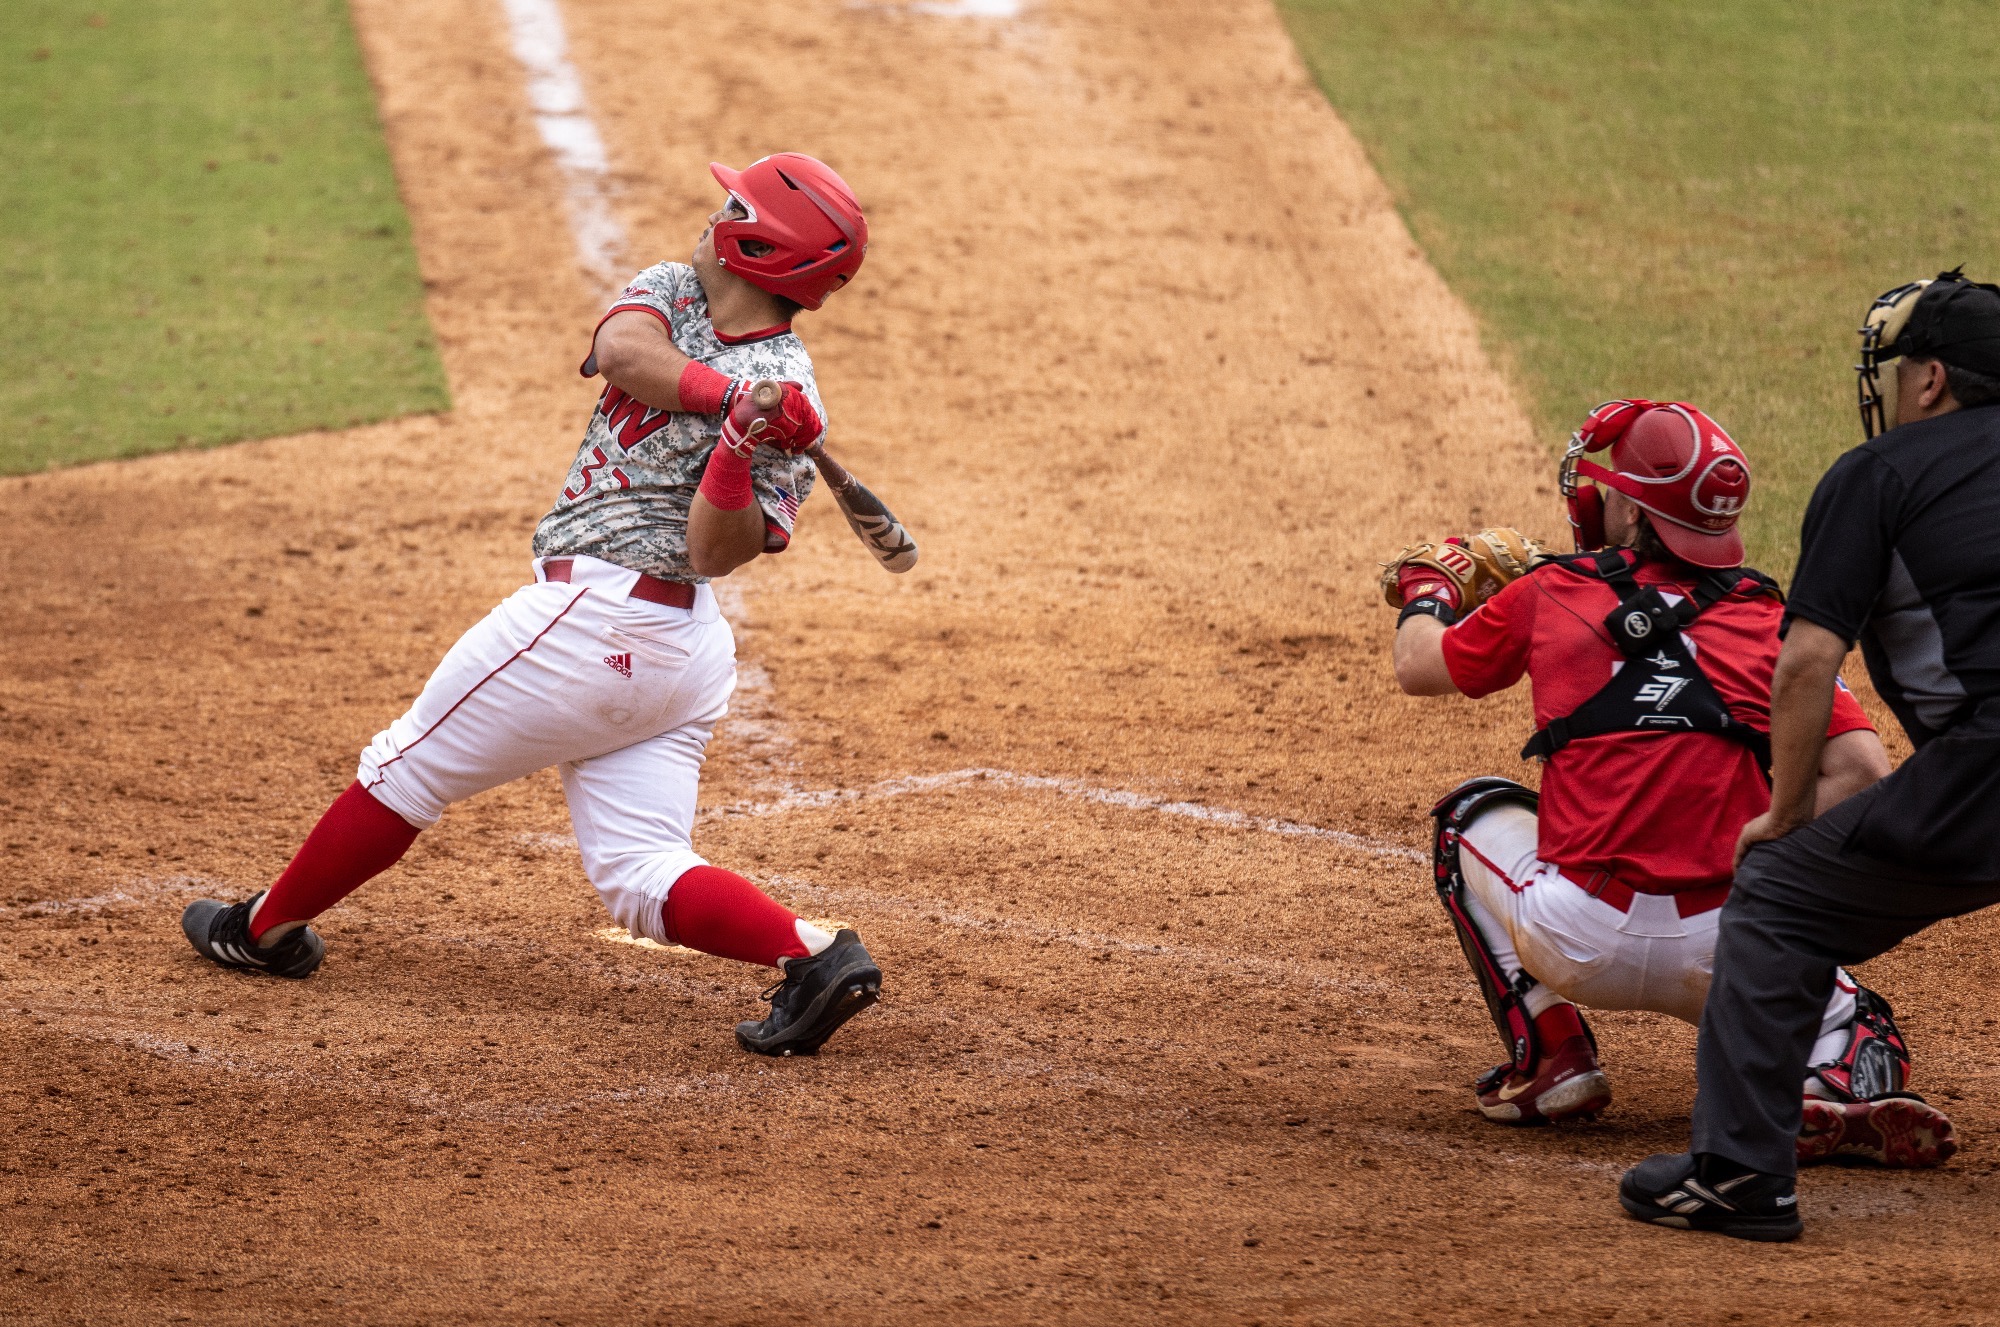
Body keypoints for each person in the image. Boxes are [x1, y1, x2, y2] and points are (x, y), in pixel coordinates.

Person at [177, 153, 885, 1058]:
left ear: (757, 244)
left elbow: (716, 551)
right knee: (639, 873)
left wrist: (739, 445)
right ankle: (816, 954)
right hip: (669, 657)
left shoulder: (791, 400)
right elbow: (623, 353)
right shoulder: (673, 289)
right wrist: (730, 397)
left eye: (731, 207)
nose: (712, 216)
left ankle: (262, 932)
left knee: (403, 770)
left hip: (596, 627)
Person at [1381, 400, 1931, 1157]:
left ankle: (1552, 1057)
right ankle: (1833, 1080)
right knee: (1857, 1017)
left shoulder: (1549, 592)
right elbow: (1865, 772)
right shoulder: (1767, 621)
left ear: (1636, 511)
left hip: (1577, 935)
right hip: (1725, 950)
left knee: (1466, 817)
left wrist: (1428, 593)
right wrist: (1762, 837)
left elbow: (1419, 666)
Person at [1621, 271, 2000, 1240]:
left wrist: (1786, 812)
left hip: (1984, 769)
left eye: (1899, 366)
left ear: (1929, 380)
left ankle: (1738, 1174)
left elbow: (1803, 663)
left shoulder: (1880, 474)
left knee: (1777, 898)